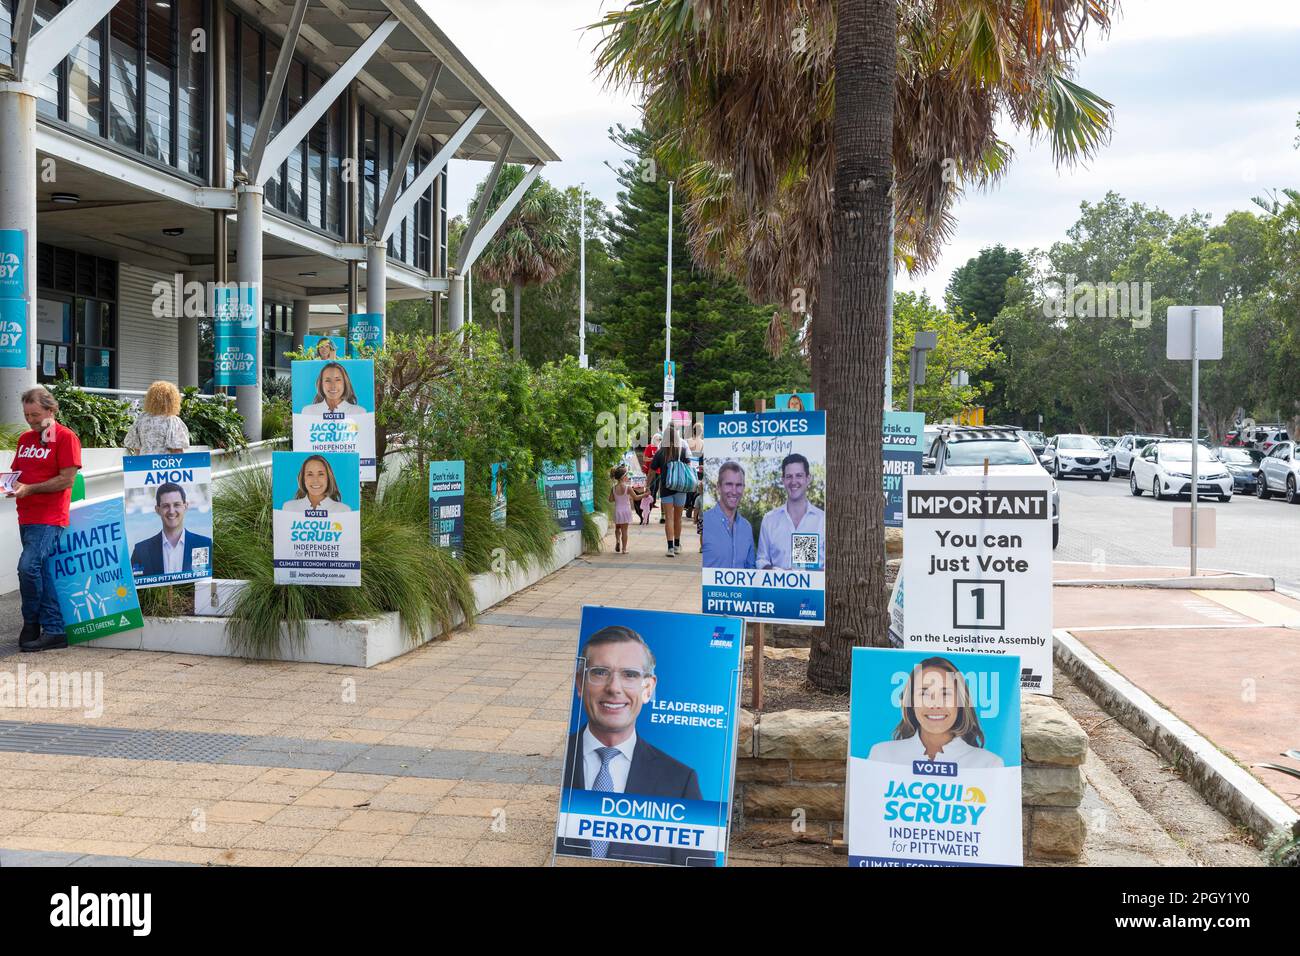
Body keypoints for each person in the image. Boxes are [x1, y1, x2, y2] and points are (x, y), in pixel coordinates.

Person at [558, 625, 707, 866]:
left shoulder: (680, 782)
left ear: (648, 688)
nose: (614, 688)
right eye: (599, 672)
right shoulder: (553, 765)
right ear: (579, 683)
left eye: (629, 674)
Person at [5, 386, 82, 652]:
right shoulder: (26, 439)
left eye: (35, 414)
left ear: (51, 410)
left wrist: (31, 489)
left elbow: (67, 479)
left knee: (27, 568)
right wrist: (9, 485)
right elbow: (16, 473)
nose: (31, 419)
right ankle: (55, 630)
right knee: (40, 570)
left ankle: (31, 622)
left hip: (50, 517)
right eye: (27, 415)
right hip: (26, 514)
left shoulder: (65, 437)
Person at [868, 657, 1004, 769]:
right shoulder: (882, 756)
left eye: (945, 693)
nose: (935, 704)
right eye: (924, 693)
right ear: (911, 702)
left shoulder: (989, 765)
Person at [756, 452, 825, 570]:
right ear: (783, 480)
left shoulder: (822, 520)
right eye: (789, 476)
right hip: (776, 588)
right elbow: (761, 561)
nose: (794, 481)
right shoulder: (769, 519)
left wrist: (801, 574)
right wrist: (778, 574)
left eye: (799, 475)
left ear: (808, 479)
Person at [129, 482, 213, 577]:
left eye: (176, 505)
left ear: (185, 507)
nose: (172, 511)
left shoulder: (203, 544)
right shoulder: (141, 551)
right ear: (157, 510)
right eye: (166, 506)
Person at [702, 461, 756, 569]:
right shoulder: (704, 522)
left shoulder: (746, 527)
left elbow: (751, 569)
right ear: (718, 487)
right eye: (729, 484)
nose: (734, 491)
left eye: (739, 485)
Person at [651, 425, 691, 557]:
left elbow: (652, 471)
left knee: (668, 518)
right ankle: (677, 545)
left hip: (666, 488)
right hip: (680, 487)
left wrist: (647, 485)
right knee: (678, 518)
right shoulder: (683, 450)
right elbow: (689, 468)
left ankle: (670, 548)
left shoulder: (660, 452)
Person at [123, 381, 190, 455]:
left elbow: (136, 447)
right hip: (164, 463)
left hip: (144, 463)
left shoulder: (141, 418)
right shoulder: (172, 420)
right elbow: (177, 450)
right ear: (172, 400)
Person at [281, 455, 352, 513]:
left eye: (321, 474)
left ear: (328, 478)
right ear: (303, 478)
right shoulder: (288, 508)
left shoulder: (343, 510)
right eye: (310, 474)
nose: (315, 480)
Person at [608, 465, 646, 554]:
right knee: (624, 531)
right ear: (623, 477)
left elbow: (610, 500)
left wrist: (617, 498)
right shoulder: (627, 488)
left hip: (618, 511)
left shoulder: (613, 488)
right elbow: (636, 498)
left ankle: (617, 541)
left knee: (618, 528)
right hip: (626, 511)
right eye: (626, 475)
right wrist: (645, 494)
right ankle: (624, 549)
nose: (627, 477)